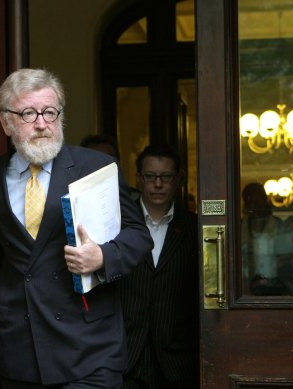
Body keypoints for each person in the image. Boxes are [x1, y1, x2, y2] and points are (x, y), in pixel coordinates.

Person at [0, 68, 153, 388]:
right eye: (28, 113)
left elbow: (138, 236)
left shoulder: (95, 167)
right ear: (5, 122)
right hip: (18, 347)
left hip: (87, 347)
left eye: (50, 112)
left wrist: (102, 257)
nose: (42, 123)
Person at [119, 144, 199, 388]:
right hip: (126, 357)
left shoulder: (194, 228)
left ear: (178, 179)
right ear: (139, 179)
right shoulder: (115, 224)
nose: (158, 184)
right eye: (150, 176)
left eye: (165, 177)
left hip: (178, 360)